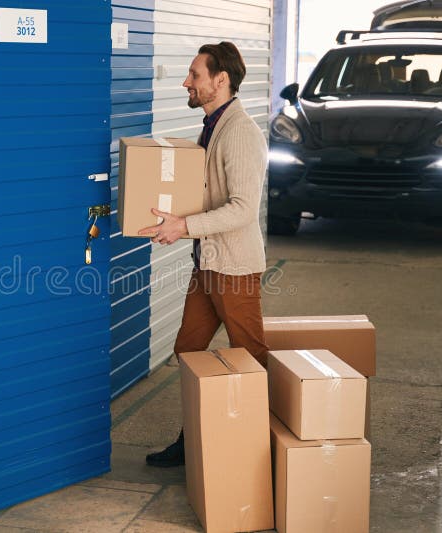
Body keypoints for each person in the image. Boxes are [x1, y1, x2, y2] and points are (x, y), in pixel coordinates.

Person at [138, 42, 270, 467]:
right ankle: (192, 439)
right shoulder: (212, 126)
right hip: (208, 265)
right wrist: (173, 217)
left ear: (221, 80)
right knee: (189, 350)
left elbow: (243, 208)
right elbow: (208, 194)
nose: (186, 82)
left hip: (234, 268)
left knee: (251, 359)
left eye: (194, 75)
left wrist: (185, 226)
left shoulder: (241, 132)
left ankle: (266, 452)